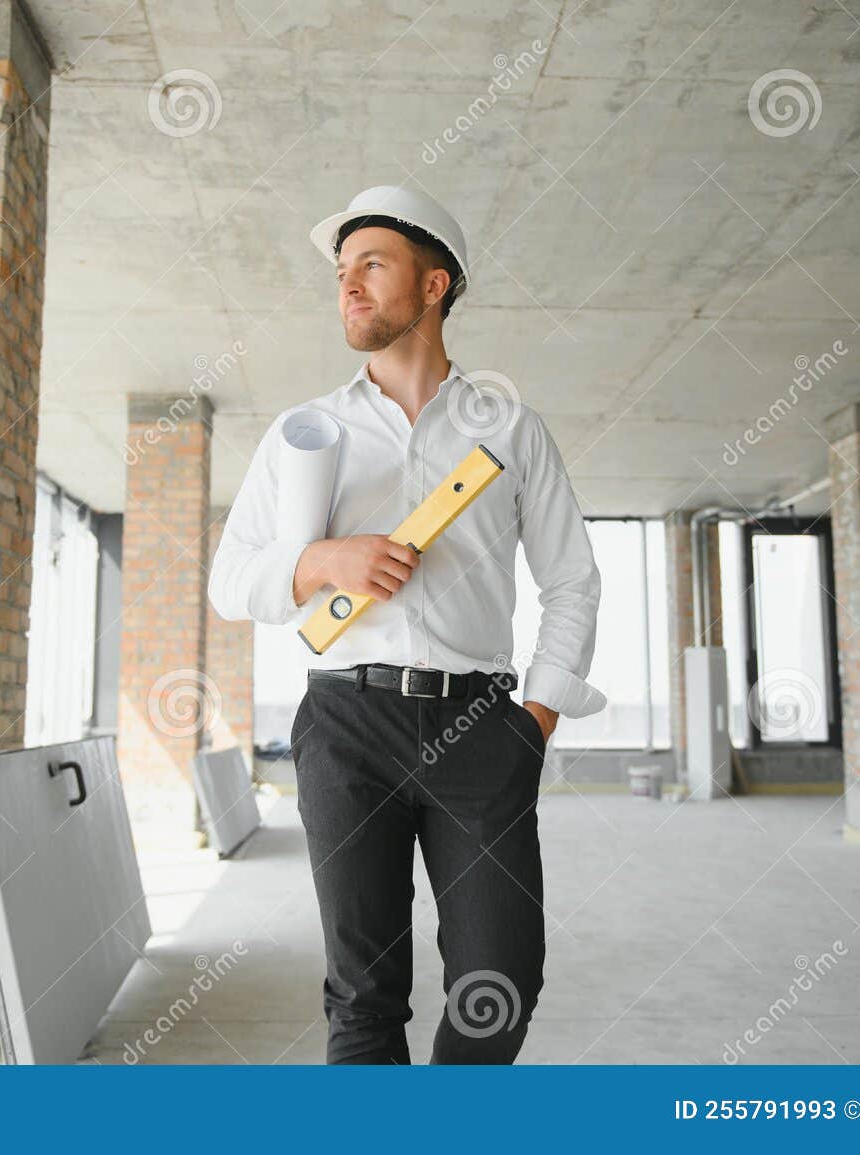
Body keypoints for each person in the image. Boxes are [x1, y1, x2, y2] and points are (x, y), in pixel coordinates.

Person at [207, 185, 605, 1064]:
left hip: (480, 725)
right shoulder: (304, 430)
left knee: (502, 981)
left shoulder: (507, 429)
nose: (347, 286)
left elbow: (572, 580)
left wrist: (533, 721)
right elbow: (230, 580)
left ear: (435, 284)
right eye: (341, 273)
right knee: (364, 995)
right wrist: (322, 562)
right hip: (348, 725)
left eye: (371, 265)